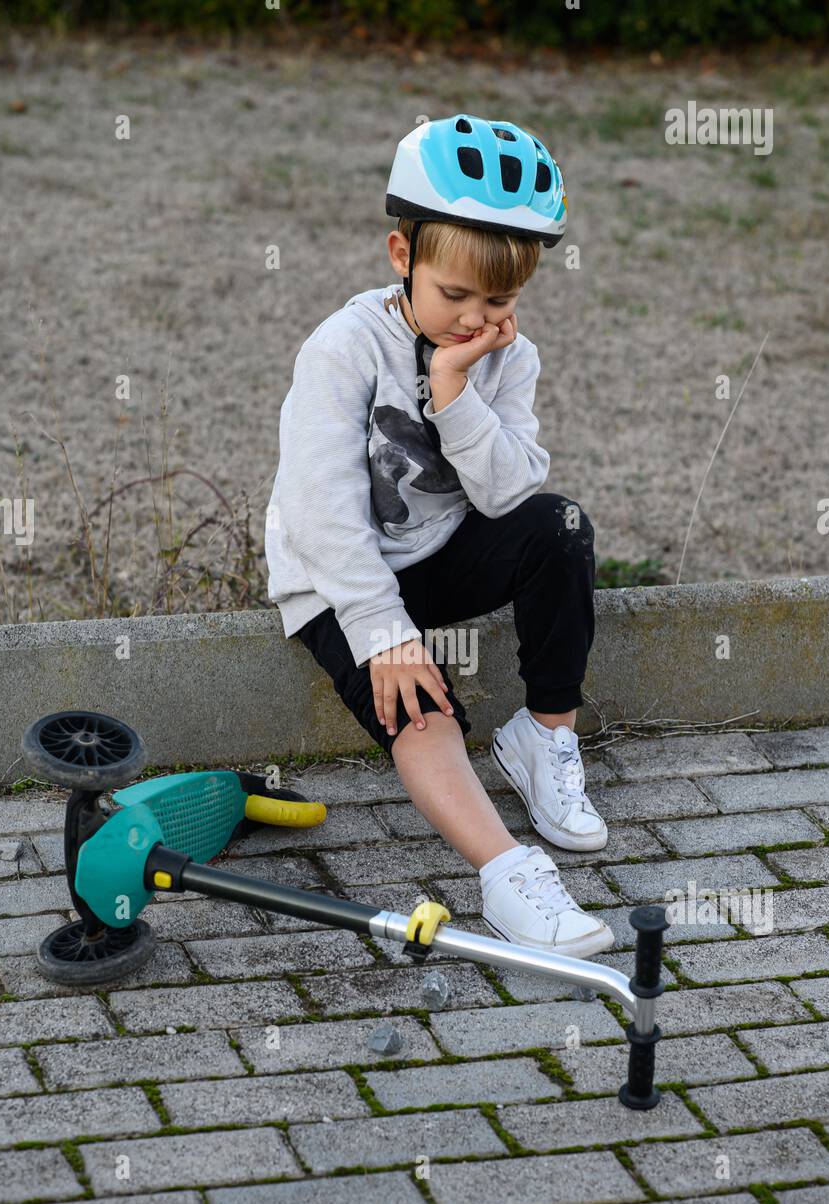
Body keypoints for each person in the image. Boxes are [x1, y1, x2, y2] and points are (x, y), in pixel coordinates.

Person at [264, 113, 614, 959]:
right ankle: (508, 877)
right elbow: (320, 509)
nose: (474, 318)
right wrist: (384, 633)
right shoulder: (344, 347)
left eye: (498, 301)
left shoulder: (503, 356)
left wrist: (454, 391)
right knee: (418, 705)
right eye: (454, 295)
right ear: (401, 258)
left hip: (440, 553)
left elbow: (508, 491)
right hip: (336, 574)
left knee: (559, 527)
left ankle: (544, 737)